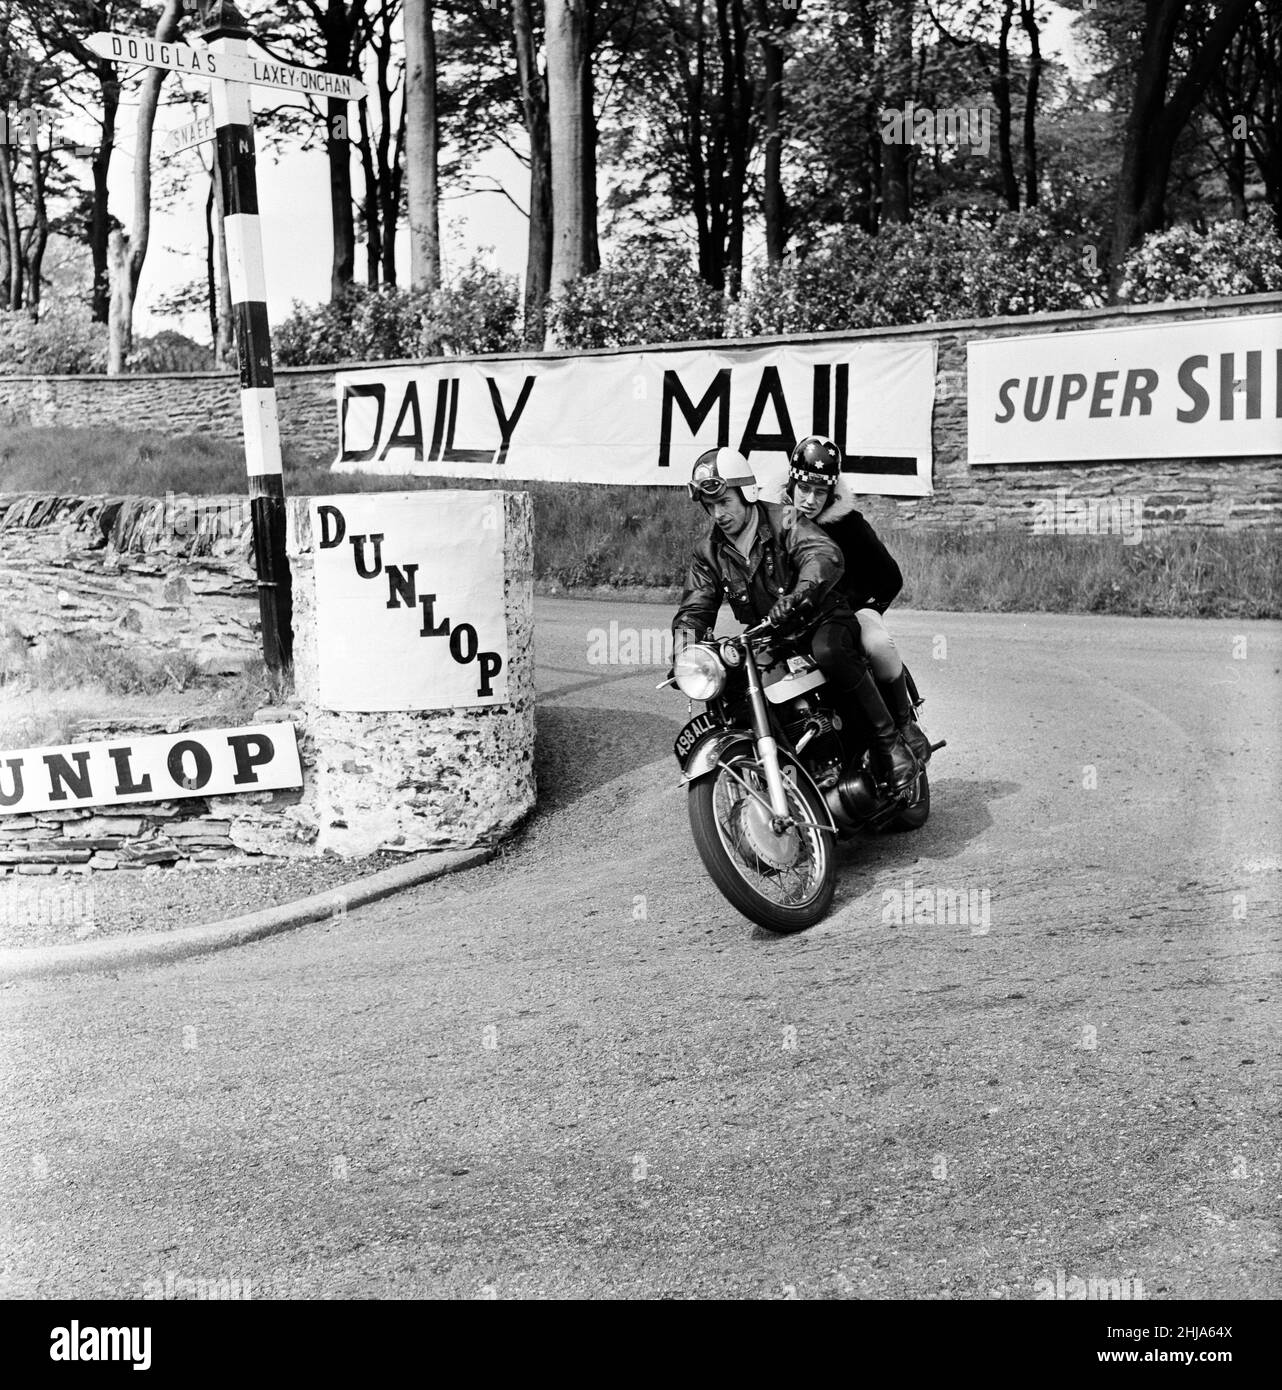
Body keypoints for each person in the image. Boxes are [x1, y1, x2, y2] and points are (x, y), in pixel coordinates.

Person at [672, 447, 919, 794]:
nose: (719, 513)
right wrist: (685, 653)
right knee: (736, 685)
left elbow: (822, 554)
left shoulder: (784, 518)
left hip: (822, 617)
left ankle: (891, 745)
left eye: (725, 502)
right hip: (772, 637)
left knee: (830, 651)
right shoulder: (708, 552)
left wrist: (796, 599)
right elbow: (694, 609)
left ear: (746, 493)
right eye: (711, 506)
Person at [785, 435, 930, 762]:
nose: (809, 500)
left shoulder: (849, 524)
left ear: (832, 493)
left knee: (877, 645)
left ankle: (904, 726)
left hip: (850, 611)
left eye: (820, 492)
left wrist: (866, 610)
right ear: (791, 484)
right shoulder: (779, 522)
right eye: (804, 489)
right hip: (802, 618)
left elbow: (890, 577)